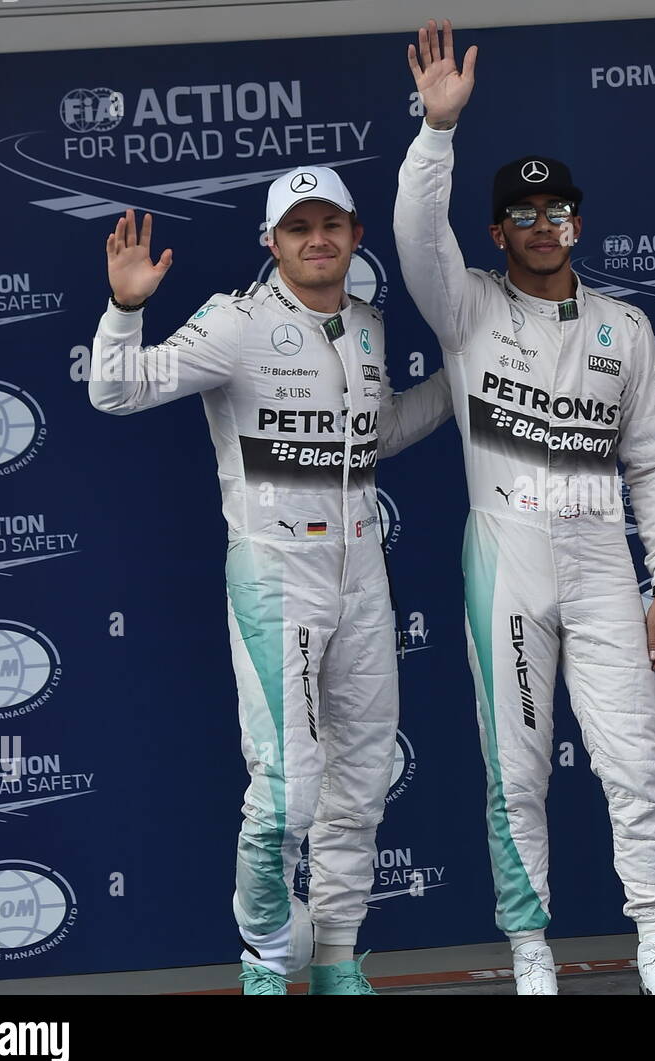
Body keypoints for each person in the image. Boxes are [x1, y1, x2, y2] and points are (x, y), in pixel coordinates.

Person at [89, 167, 452, 994]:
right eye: (298, 228)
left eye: (331, 224)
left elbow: (377, 431)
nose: (316, 239)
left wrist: (459, 386)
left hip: (363, 574)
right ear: (272, 243)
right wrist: (125, 308)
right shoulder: (236, 321)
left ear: (356, 236)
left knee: (361, 777)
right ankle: (263, 962)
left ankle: (334, 964)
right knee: (288, 789)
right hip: (275, 574)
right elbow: (115, 391)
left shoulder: (366, 324)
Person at [394, 19, 655, 996]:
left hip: (604, 553)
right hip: (507, 555)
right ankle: (532, 953)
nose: (539, 222)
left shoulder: (624, 325)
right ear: (496, 231)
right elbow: (412, 235)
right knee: (516, 774)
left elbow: (652, 455)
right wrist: (437, 132)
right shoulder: (467, 306)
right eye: (520, 212)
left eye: (553, 207)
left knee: (634, 760)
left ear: (576, 220)